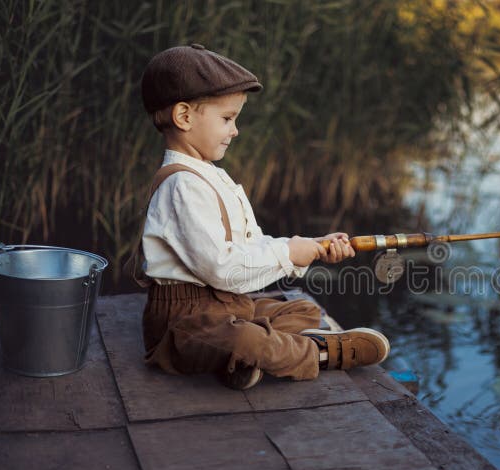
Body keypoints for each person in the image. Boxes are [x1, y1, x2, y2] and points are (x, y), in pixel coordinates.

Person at [132, 43, 389, 390]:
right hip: (185, 323)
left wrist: (306, 248)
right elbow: (223, 270)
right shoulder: (182, 186)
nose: (235, 131)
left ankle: (243, 363)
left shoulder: (213, 176)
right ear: (184, 117)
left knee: (301, 310)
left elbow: (249, 245)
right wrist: (286, 256)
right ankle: (315, 353)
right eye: (227, 119)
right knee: (246, 341)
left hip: (225, 306)